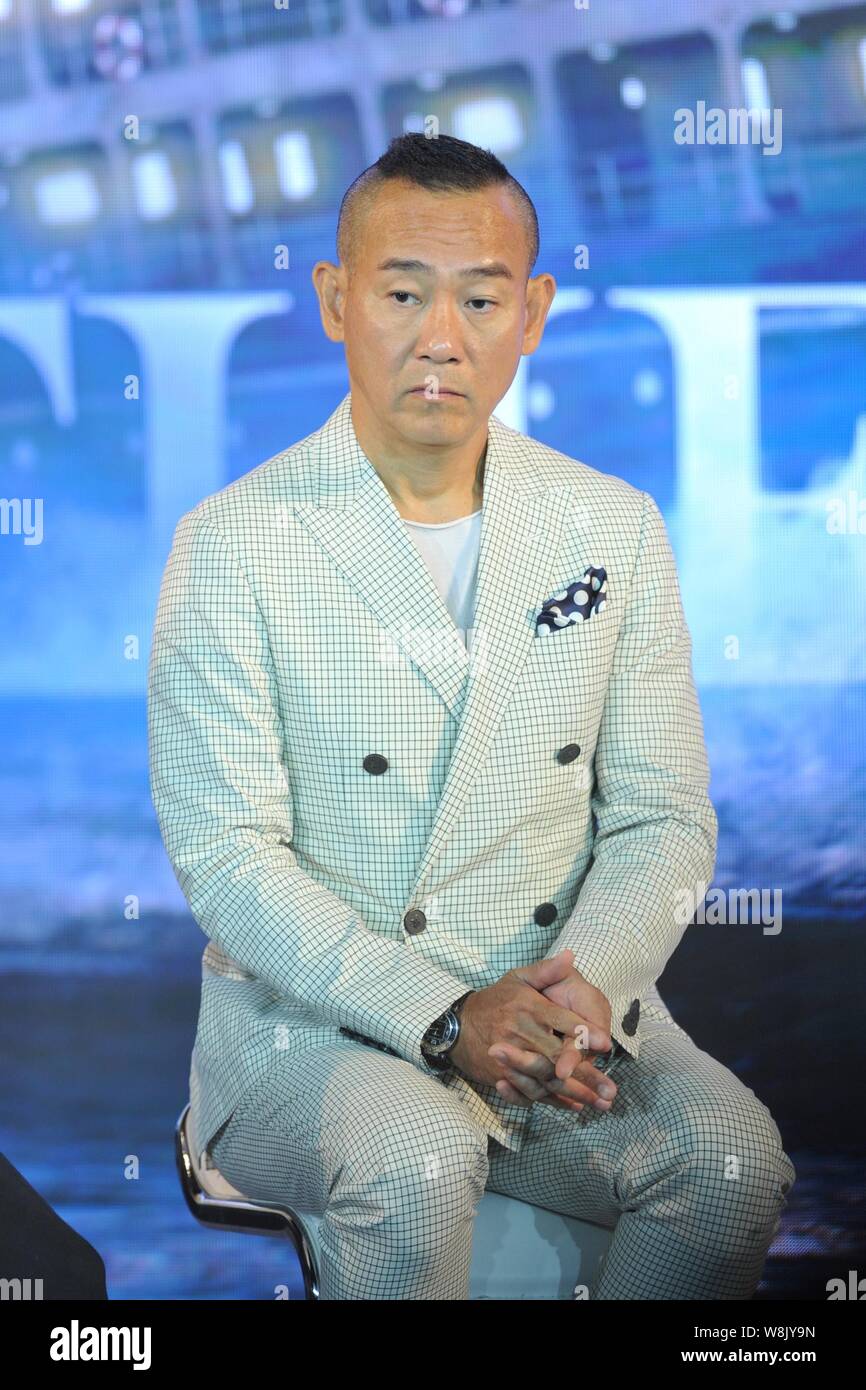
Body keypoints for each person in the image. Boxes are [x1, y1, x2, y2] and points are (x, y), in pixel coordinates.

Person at [148, 132, 795, 1299]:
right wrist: (445, 1017)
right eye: (402, 294)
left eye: (480, 299)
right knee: (414, 1157)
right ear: (335, 300)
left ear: (532, 312)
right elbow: (227, 857)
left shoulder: (611, 526)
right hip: (313, 1029)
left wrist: (587, 986)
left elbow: (660, 814)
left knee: (729, 1165)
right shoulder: (233, 541)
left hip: (551, 1017)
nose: (440, 337)